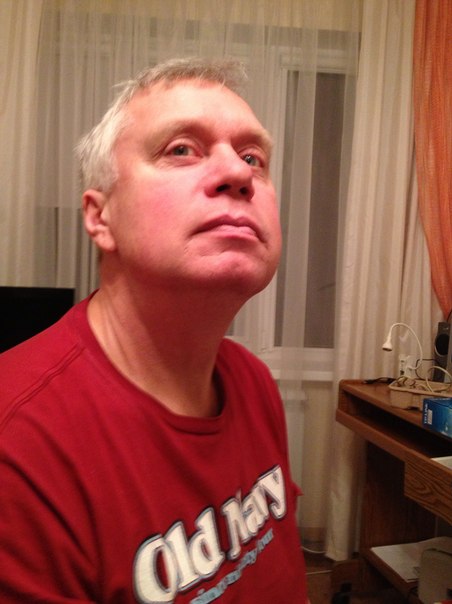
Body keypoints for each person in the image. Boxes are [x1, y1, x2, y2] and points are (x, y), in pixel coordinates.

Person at [0, 57, 308, 603]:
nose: (239, 174)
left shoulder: (254, 382)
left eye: (253, 158)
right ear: (100, 217)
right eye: (181, 149)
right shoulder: (18, 446)